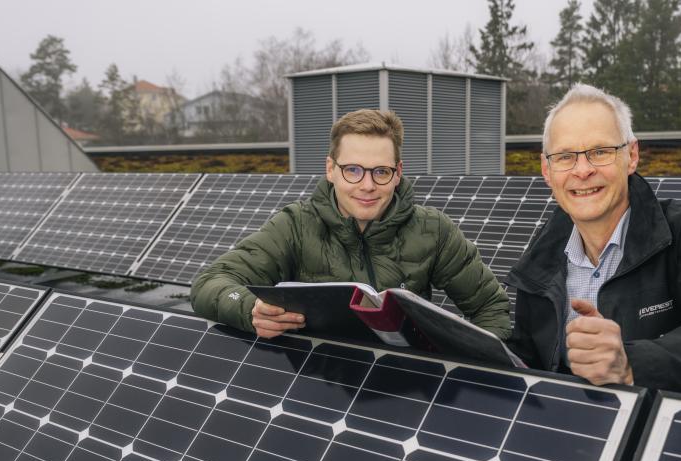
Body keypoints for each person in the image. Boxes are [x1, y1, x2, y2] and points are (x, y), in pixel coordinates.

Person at [506, 84, 681, 399]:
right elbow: (528, 361)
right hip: (573, 434)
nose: (583, 170)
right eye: (565, 157)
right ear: (547, 170)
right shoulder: (541, 261)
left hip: (665, 437)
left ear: (632, 156)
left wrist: (632, 364)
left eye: (600, 152)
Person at [191, 109, 511, 341]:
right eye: (353, 170)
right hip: (321, 385)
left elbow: (491, 308)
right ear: (331, 169)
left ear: (398, 172)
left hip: (410, 389)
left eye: (380, 172)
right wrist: (250, 309)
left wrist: (466, 371)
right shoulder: (296, 226)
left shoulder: (433, 231)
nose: (367, 185)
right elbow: (209, 283)